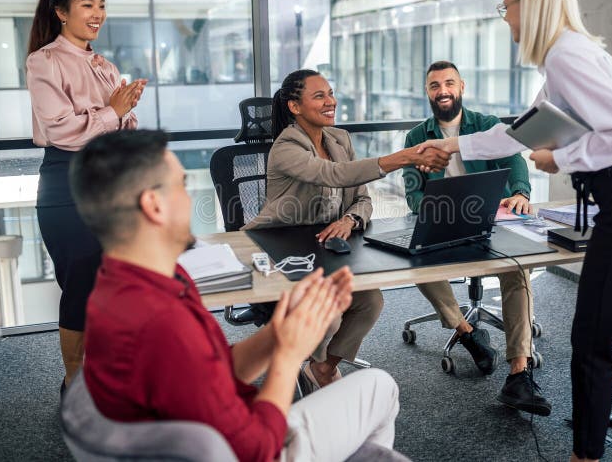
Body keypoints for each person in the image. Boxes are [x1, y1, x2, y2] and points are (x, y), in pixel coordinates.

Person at [418, 0, 612, 462]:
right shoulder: (574, 54)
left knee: (592, 342)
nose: (506, 16)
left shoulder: (566, 55)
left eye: (507, 4)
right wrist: (452, 145)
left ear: (531, 3)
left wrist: (558, 158)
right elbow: (519, 132)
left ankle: (584, 456)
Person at [71, 130, 401, 462]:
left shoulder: (128, 282)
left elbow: (214, 371)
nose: (190, 200)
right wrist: (288, 357)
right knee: (380, 386)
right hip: (252, 447)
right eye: (181, 186)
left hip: (223, 428)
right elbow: (258, 449)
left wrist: (280, 332)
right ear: (153, 205)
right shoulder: (163, 323)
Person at [244, 69, 450, 390]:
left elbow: (363, 198)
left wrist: (349, 220)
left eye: (331, 93)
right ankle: (293, 369)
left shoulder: (339, 139)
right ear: (295, 107)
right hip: (282, 249)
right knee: (329, 312)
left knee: (371, 301)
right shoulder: (286, 147)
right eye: (319, 96)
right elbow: (335, 174)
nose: (331, 102)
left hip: (324, 249)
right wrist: (403, 158)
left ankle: (323, 367)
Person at [402, 60, 550, 416]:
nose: (442, 91)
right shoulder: (416, 138)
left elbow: (515, 159)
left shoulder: (486, 126)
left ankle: (518, 373)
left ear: (461, 87)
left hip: (492, 220)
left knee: (518, 269)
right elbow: (412, 193)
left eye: (449, 83)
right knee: (418, 262)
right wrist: (434, 207)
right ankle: (467, 332)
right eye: (435, 85)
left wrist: (520, 192)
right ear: (428, 92)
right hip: (445, 223)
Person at [26, 0, 148, 390]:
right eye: (87, 4)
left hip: (109, 181)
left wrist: (126, 112)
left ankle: (106, 375)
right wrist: (114, 112)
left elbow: (118, 129)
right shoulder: (44, 61)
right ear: (61, 12)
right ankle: (75, 384)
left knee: (113, 283)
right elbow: (62, 131)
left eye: (102, 5)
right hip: (67, 183)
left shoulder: (105, 66)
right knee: (81, 286)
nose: (98, 13)